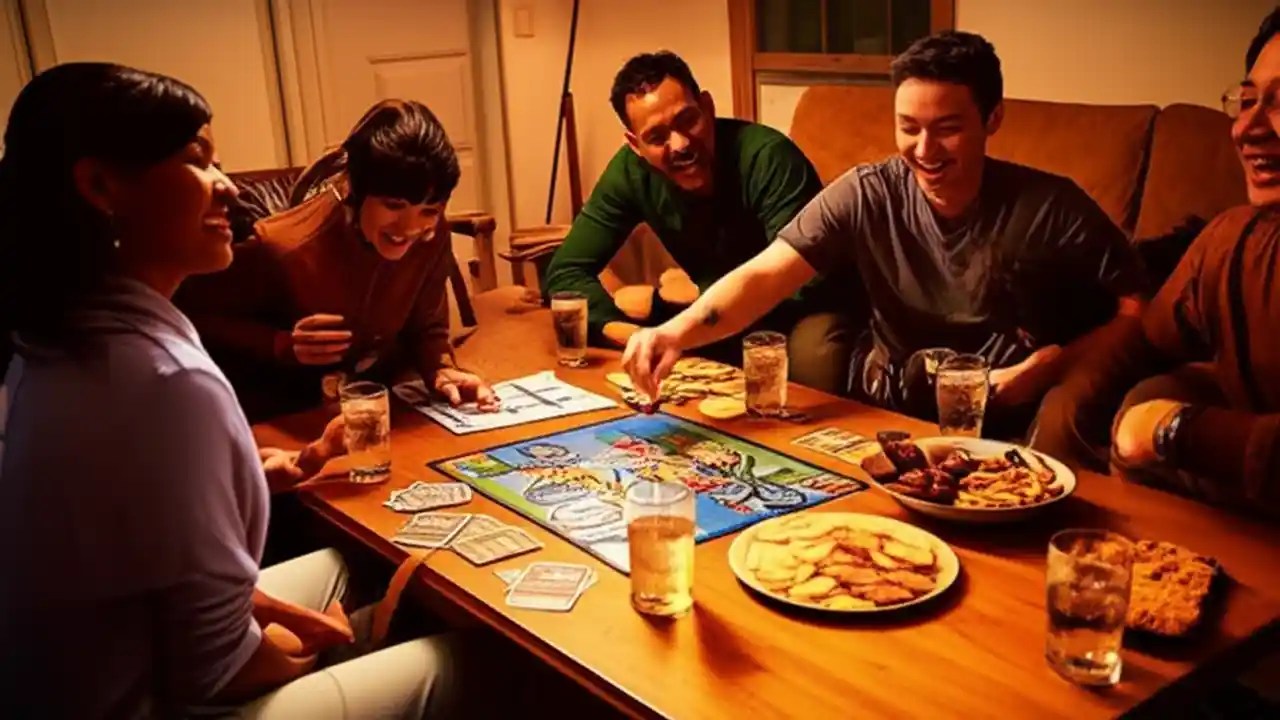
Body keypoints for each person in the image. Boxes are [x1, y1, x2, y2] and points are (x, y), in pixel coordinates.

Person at [0, 63, 469, 718]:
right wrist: (330, 645)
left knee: (355, 568)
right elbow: (213, 668)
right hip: (137, 697)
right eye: (198, 162)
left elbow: (146, 547)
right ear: (101, 185)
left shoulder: (53, 339)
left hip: (89, 661)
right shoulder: (166, 380)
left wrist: (272, 471)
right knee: (462, 655)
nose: (227, 187)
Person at [621, 32, 1147, 436]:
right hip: (892, 401)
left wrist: (1054, 368)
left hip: (1007, 407)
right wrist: (675, 332)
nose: (924, 149)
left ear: (993, 118)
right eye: (908, 127)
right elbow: (765, 275)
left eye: (948, 128)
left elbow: (1138, 306)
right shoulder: (867, 192)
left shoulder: (1051, 205)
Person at [1035, 9, 1280, 520]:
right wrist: (1061, 415)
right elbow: (1148, 339)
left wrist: (1177, 430)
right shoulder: (1235, 239)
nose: (1248, 128)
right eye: (1249, 100)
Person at [542, 50, 864, 392]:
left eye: (687, 120)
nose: (680, 144)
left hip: (804, 311)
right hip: (713, 316)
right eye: (657, 137)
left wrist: (697, 320)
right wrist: (630, 334)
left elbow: (800, 282)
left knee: (815, 354)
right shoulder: (629, 172)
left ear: (708, 107)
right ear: (636, 146)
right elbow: (565, 272)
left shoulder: (768, 157)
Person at [178, 99, 496, 421]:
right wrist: (279, 344)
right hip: (289, 413)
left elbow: (426, 324)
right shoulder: (281, 247)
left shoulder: (433, 232)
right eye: (394, 205)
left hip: (383, 406)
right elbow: (191, 315)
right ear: (356, 191)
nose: (411, 227)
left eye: (429, 210)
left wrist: (441, 370)